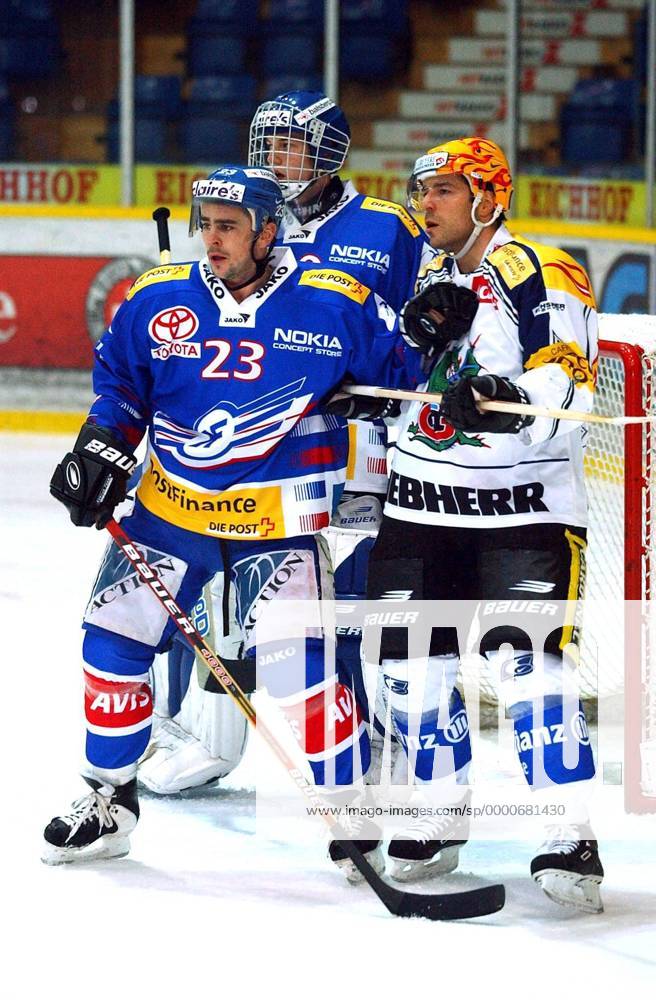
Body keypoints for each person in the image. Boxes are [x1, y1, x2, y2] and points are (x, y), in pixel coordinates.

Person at [42, 166, 425, 868]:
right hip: (169, 514)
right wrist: (100, 446)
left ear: (267, 231)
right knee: (111, 646)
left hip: (278, 524)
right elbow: (122, 388)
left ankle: (350, 809)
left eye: (229, 226)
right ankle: (109, 798)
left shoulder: (335, 300)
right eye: (206, 224)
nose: (212, 239)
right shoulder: (157, 297)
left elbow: (404, 373)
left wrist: (422, 342)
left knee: (305, 680)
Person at [142, 91, 436, 813]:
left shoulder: (387, 226)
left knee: (345, 603)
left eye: (293, 146)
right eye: (267, 144)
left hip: (356, 446)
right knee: (214, 587)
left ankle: (367, 744)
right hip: (251, 450)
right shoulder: (245, 213)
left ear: (328, 153)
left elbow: (419, 329)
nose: (277, 158)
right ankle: (201, 733)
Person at [364, 137, 604, 913]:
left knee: (528, 668)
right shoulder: (424, 276)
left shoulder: (540, 268)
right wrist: (398, 357)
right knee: (410, 669)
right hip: (418, 508)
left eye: (443, 189)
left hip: (520, 512)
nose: (425, 202)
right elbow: (388, 382)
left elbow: (572, 375)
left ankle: (567, 831)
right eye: (420, 189)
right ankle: (440, 812)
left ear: (490, 197)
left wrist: (509, 394)